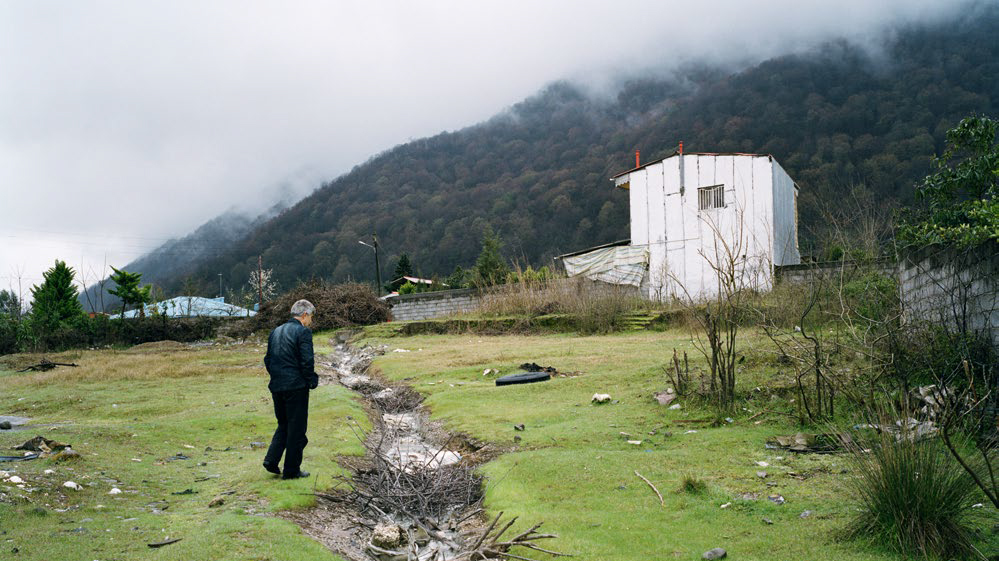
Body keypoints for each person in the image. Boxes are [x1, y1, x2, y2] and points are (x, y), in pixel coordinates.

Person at [262, 299, 319, 479]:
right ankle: (291, 470)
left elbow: (268, 360)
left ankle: (271, 460)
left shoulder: (275, 332)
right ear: (304, 315)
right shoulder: (303, 332)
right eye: (310, 317)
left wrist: (277, 376)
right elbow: (307, 360)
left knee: (284, 424)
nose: (310, 321)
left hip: (277, 385)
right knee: (297, 429)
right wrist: (311, 380)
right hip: (296, 386)